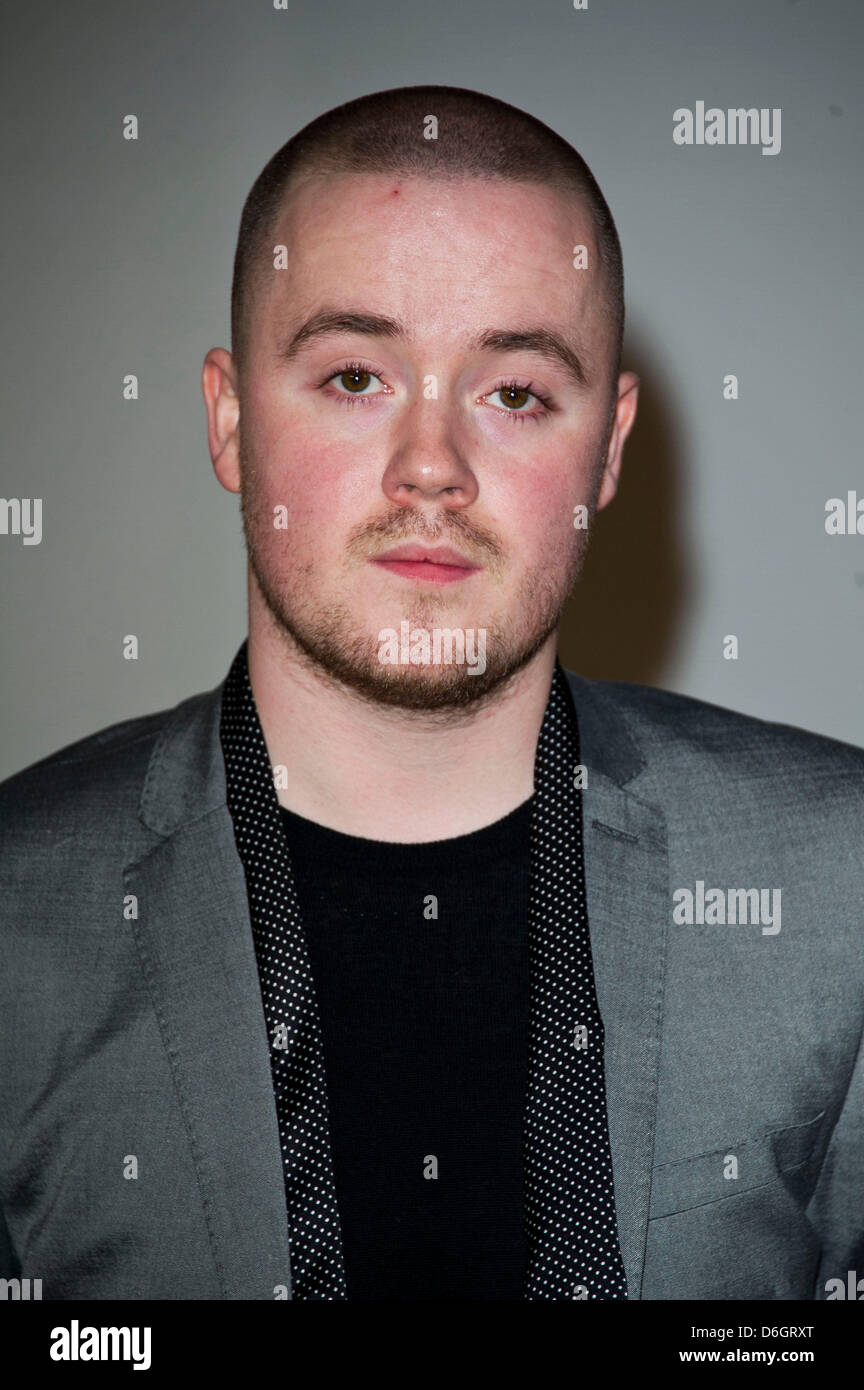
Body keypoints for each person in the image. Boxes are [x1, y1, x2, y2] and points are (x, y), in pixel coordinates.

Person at [1, 84, 862, 1303]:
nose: (431, 469)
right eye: (356, 376)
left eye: (514, 391)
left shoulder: (839, 883)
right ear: (232, 419)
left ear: (608, 449)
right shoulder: (15, 918)